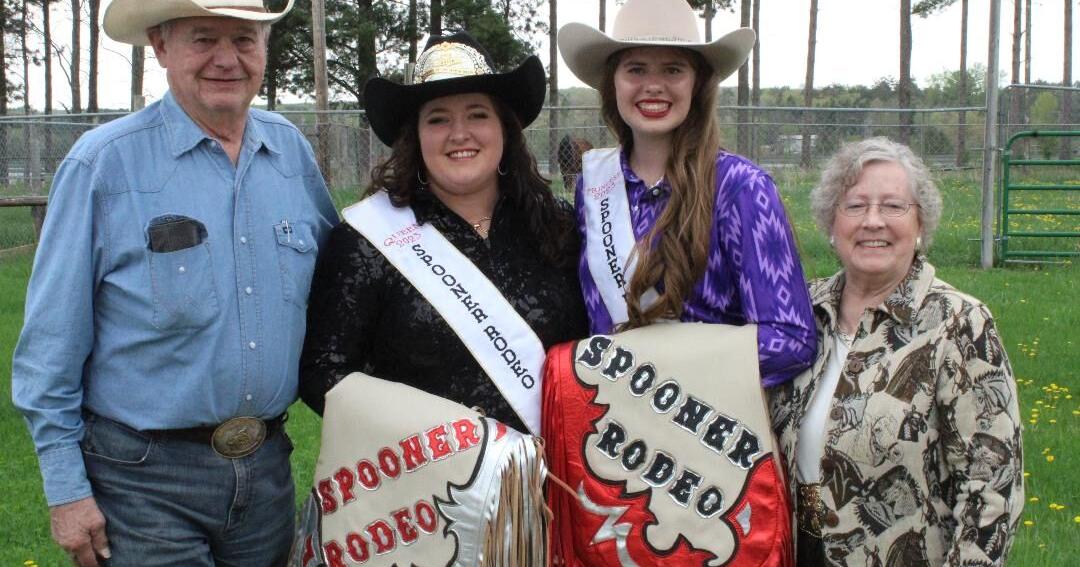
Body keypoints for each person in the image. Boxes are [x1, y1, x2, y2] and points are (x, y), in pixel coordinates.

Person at [11, 0, 338, 564]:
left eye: (244, 39)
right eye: (204, 39)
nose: (226, 59)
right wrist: (67, 489)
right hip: (143, 483)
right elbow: (49, 347)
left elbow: (342, 290)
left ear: (264, 50)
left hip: (266, 474)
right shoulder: (104, 166)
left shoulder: (290, 153)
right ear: (160, 46)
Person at [298, 32, 586, 436]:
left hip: (554, 484)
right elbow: (323, 373)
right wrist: (431, 438)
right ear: (415, 135)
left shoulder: (559, 225)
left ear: (504, 128)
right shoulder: (366, 243)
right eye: (438, 119)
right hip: (430, 487)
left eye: (477, 114)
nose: (459, 133)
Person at [768, 137, 1024, 566]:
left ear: (920, 224)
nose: (873, 221)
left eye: (893, 206)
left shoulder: (959, 323)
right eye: (855, 206)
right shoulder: (800, 312)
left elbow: (991, 490)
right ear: (832, 223)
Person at [557, 0, 816, 387]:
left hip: (707, 428)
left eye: (673, 69)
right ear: (614, 82)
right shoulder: (594, 187)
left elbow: (790, 339)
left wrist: (661, 374)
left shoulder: (741, 188)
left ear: (697, 83)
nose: (654, 85)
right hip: (610, 426)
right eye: (636, 69)